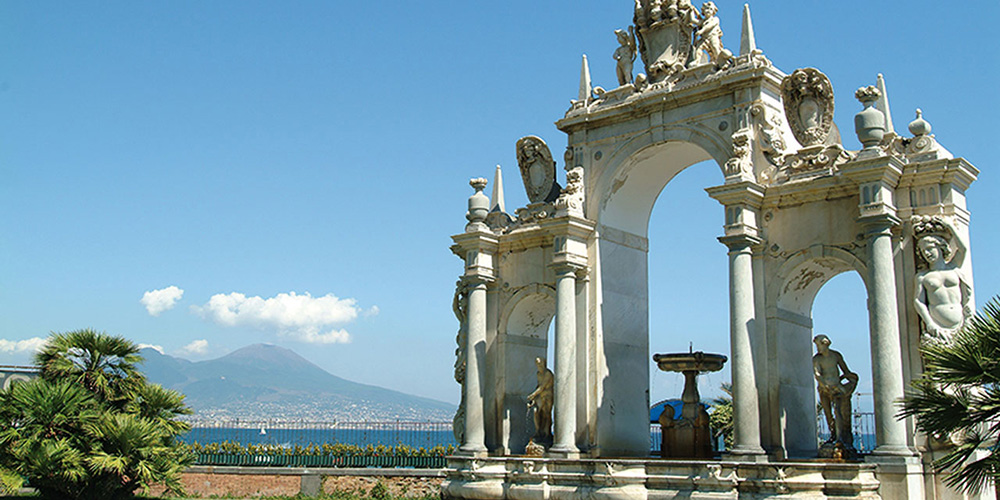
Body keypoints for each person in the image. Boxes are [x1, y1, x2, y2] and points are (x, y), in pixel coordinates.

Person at [913, 216, 972, 341]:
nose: (927, 253)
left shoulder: (953, 267)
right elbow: (919, 301)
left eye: (929, 249)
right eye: (923, 251)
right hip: (937, 325)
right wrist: (929, 322)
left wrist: (950, 226)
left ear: (940, 247)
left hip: (960, 322)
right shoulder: (922, 276)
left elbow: (963, 249)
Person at [812, 334, 858, 448]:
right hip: (824, 389)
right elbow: (817, 374)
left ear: (825, 344)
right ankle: (833, 434)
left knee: (838, 412)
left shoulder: (836, 356)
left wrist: (849, 379)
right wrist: (825, 384)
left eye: (819, 345)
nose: (817, 348)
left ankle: (840, 437)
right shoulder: (817, 359)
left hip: (836, 387)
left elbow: (845, 370)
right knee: (828, 413)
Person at [526, 357, 554, 443]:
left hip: (547, 395)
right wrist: (533, 398)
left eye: (540, 363)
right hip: (540, 395)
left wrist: (532, 395)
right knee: (536, 412)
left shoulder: (548, 374)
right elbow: (538, 386)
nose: (539, 365)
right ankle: (538, 431)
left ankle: (547, 433)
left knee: (546, 414)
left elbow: (543, 387)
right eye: (537, 364)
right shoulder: (538, 374)